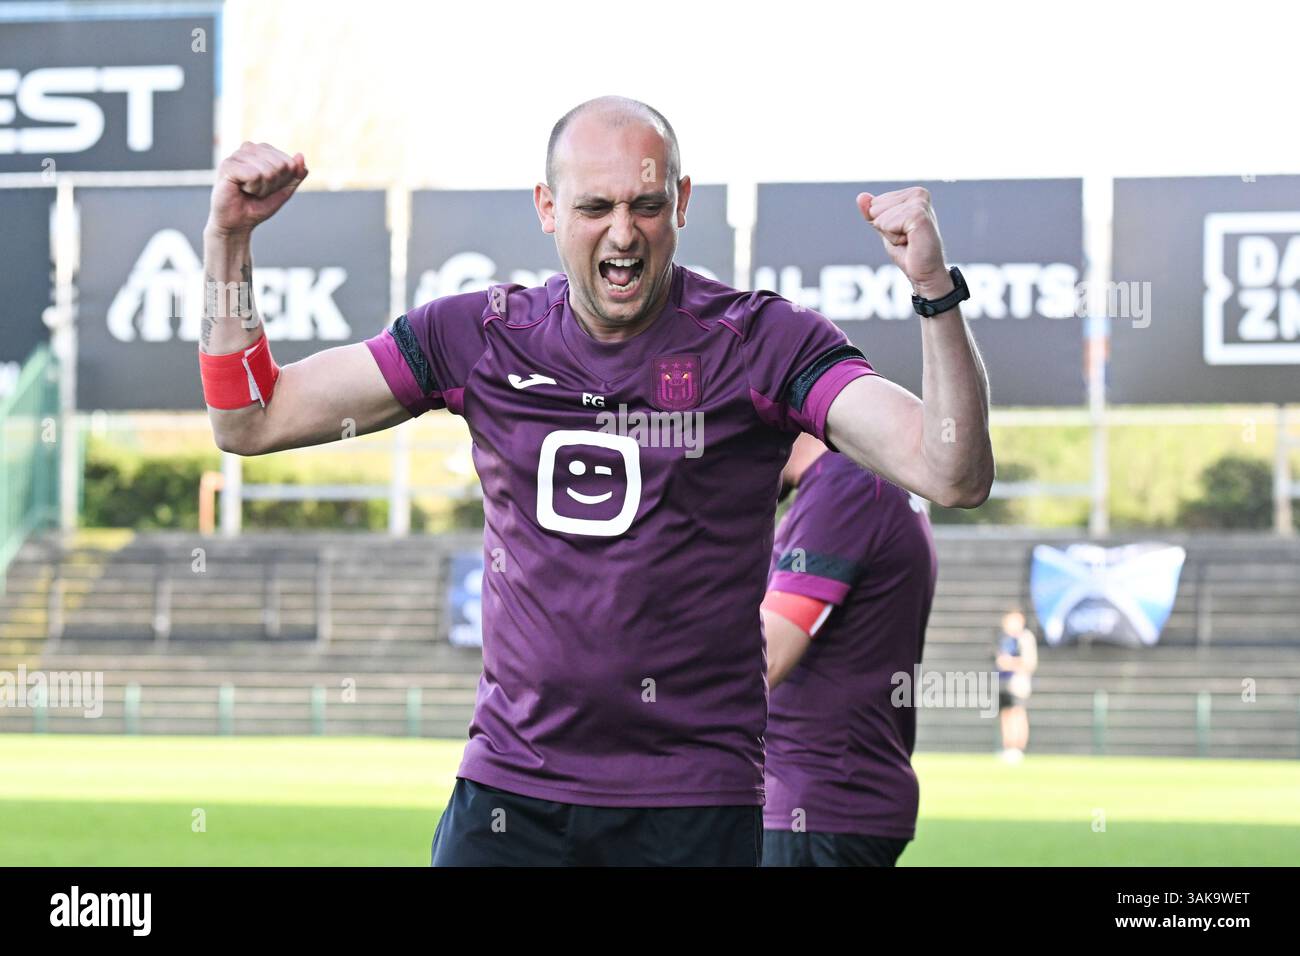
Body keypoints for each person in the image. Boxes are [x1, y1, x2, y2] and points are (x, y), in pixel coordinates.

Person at [197, 95, 993, 866]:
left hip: (692, 807)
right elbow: (251, 419)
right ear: (547, 207)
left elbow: (950, 470)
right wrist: (229, 239)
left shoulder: (761, 341)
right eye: (595, 207)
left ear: (682, 202)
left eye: (647, 205)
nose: (623, 233)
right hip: (510, 795)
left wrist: (934, 290)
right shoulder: (479, 336)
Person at [760, 434, 936, 867]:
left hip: (817, 801)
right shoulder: (857, 483)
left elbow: (767, 656)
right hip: (830, 799)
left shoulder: (847, 486)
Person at [996, 609, 1038, 762]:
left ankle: (1018, 748)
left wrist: (1010, 663)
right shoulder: (1004, 639)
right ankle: (1008, 747)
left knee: (1017, 714)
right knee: (1006, 715)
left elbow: (1029, 663)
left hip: (1018, 684)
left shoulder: (1025, 638)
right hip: (1003, 683)